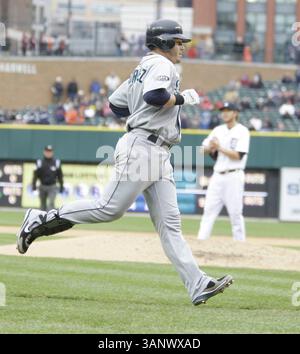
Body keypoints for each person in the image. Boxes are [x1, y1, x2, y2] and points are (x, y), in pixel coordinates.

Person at [17, 19, 233, 305]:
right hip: (143, 146)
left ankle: (197, 283)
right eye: (178, 42)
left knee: (170, 225)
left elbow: (116, 103)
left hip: (158, 150)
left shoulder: (141, 68)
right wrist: (181, 98)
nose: (182, 47)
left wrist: (145, 108)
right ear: (165, 42)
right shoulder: (162, 65)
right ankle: (40, 219)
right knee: (109, 208)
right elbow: (155, 96)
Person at [197, 102, 250, 242]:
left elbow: (238, 155)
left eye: (228, 110)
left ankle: (240, 245)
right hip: (217, 176)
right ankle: (201, 243)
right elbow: (201, 151)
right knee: (208, 212)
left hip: (234, 175)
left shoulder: (242, 131)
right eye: (223, 110)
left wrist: (219, 147)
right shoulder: (217, 130)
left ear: (235, 113)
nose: (225, 113)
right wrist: (210, 147)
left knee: (235, 214)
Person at [32, 145, 64, 211]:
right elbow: (35, 175)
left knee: (51, 204)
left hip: (52, 186)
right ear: (44, 152)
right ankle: (43, 220)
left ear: (52, 152)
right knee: (42, 205)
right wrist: (33, 185)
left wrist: (61, 186)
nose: (48, 153)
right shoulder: (39, 162)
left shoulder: (56, 162)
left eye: (50, 151)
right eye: (47, 151)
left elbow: (60, 175)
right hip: (42, 186)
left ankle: (50, 220)